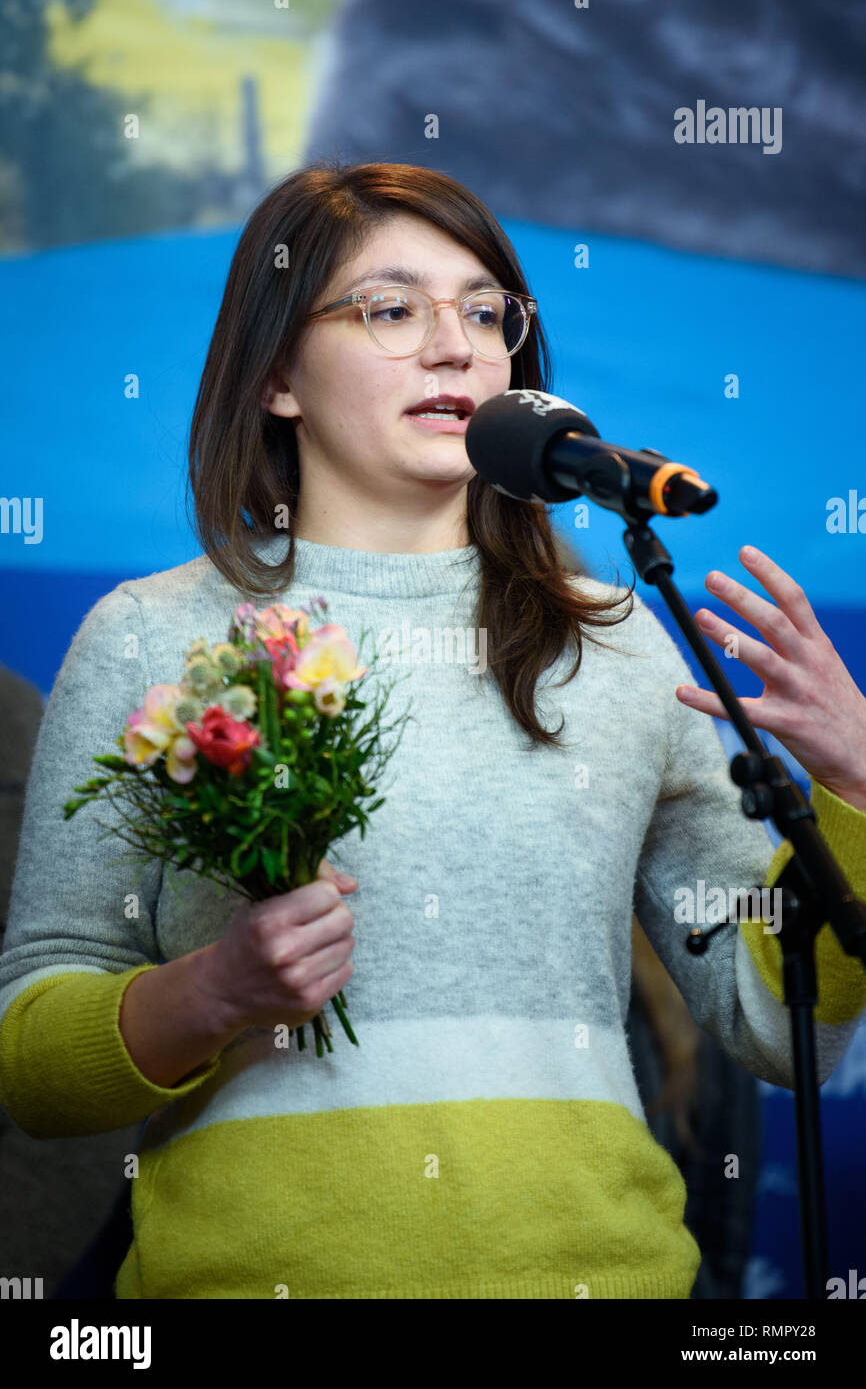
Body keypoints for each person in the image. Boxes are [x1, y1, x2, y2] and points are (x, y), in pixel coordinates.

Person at [0, 161, 864, 1301]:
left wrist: (851, 789)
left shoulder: (615, 644)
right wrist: (211, 994)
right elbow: (31, 1064)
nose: (454, 346)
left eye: (484, 311)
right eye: (391, 309)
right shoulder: (149, 636)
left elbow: (770, 1021)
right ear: (275, 377)